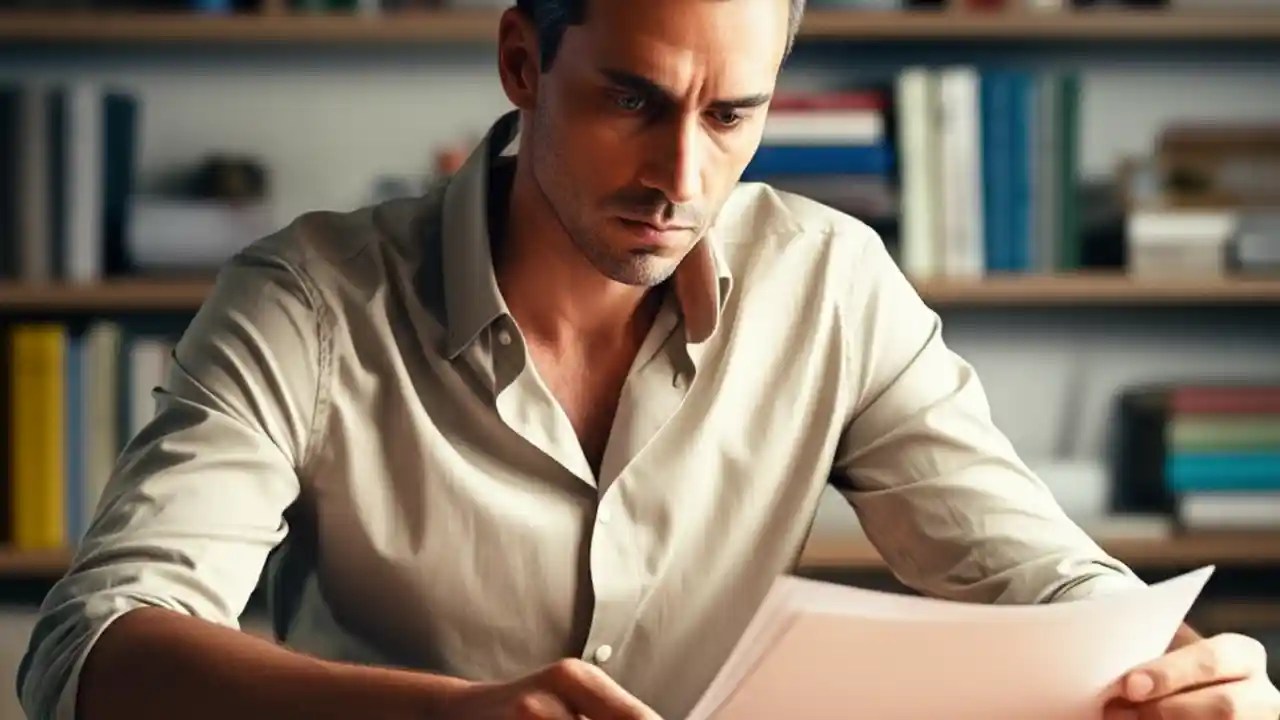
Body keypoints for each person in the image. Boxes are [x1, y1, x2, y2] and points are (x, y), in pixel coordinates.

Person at [18, 0, 1280, 718]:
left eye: (731, 115)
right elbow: (92, 648)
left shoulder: (831, 284)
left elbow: (1041, 581)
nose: (681, 177)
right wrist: (445, 718)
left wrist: (1178, 677)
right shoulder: (306, 299)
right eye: (632, 100)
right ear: (522, 64)